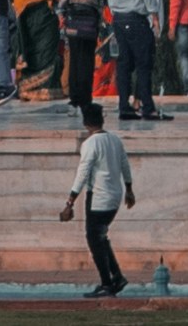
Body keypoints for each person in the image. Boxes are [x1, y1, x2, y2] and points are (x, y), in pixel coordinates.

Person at [57, 98, 131, 301]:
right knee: (101, 237)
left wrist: (70, 202)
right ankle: (117, 277)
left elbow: (83, 173)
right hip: (115, 196)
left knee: (94, 238)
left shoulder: (90, 144)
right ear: (102, 120)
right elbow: (125, 164)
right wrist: (129, 189)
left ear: (85, 123)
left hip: (99, 197)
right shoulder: (114, 140)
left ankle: (107, 283)